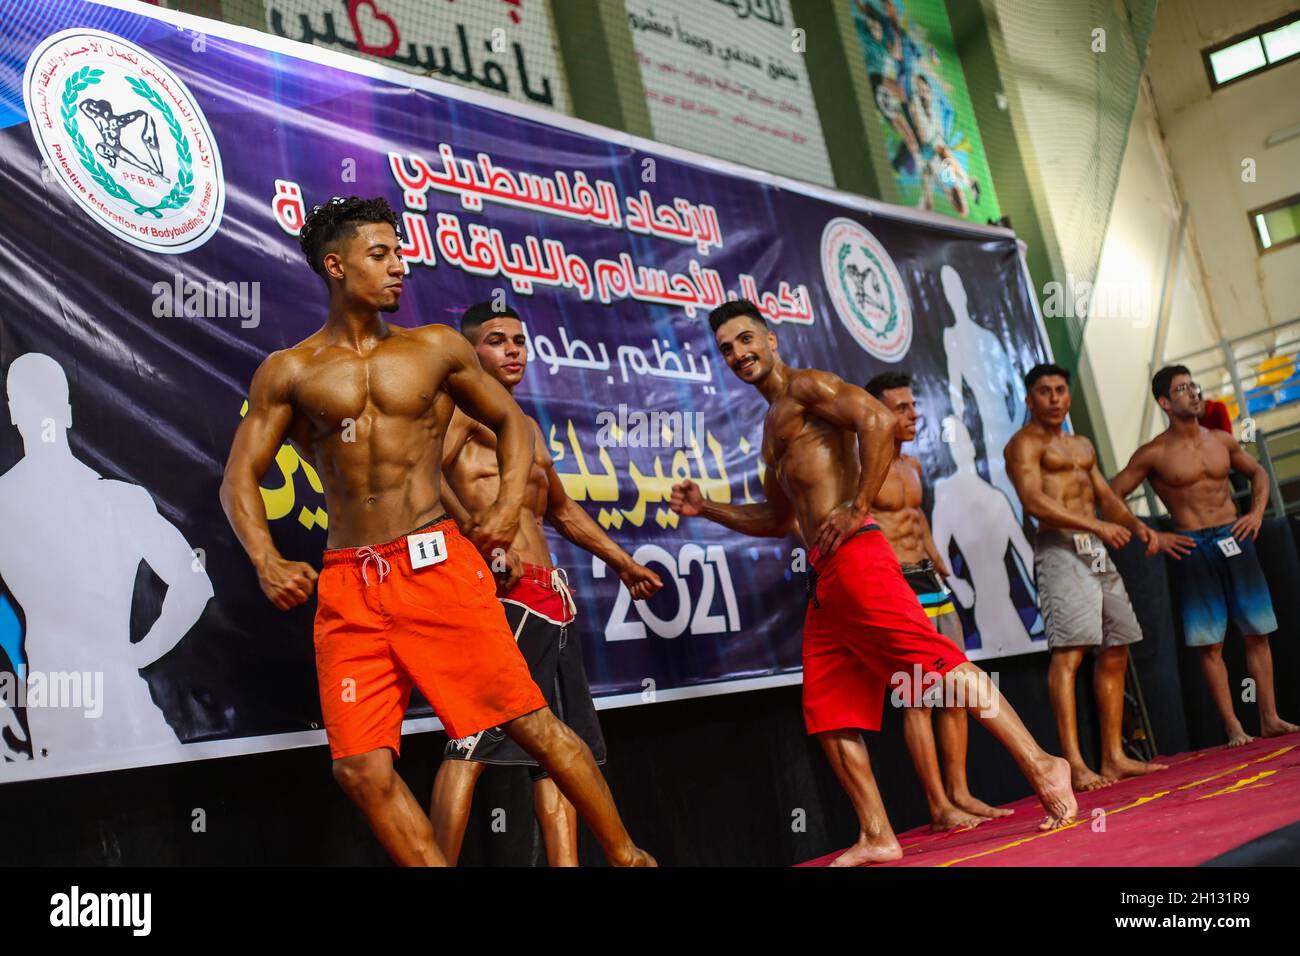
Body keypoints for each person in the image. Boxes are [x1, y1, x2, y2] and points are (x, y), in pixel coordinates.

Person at [218, 196, 652, 867]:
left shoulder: (436, 349)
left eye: (400, 253)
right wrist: (266, 558)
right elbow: (238, 477)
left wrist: (507, 507)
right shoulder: (290, 371)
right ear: (336, 266)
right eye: (381, 255)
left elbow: (511, 425)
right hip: (348, 584)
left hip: (436, 567)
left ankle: (627, 856)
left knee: (531, 726)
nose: (400, 268)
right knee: (359, 770)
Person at [672, 300, 1076, 866]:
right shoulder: (771, 429)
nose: (738, 354)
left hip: (858, 554)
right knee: (828, 709)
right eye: (727, 349)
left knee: (935, 661)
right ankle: (878, 833)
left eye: (745, 340)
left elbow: (879, 421)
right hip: (824, 578)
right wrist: (707, 509)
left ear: (771, 339)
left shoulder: (809, 387)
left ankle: (1040, 762)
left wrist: (858, 504)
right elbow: (777, 518)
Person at [430, 302, 663, 866]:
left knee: (557, 752)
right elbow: (418, 478)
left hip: (549, 598)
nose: (512, 350)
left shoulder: (524, 425)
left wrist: (623, 562)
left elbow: (559, 509)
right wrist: (478, 540)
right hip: (500, 597)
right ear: (469, 351)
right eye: (495, 340)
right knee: (472, 739)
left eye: (518, 340)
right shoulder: (460, 411)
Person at [1110, 365, 1299, 746]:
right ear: (1165, 402)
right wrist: (1152, 535)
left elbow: (1258, 474)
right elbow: (1111, 495)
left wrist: (1257, 513)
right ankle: (1232, 726)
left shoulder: (1222, 441)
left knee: (1258, 631)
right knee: (1210, 643)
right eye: (1182, 389)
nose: (1193, 393)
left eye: (1193, 385)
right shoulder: (1154, 453)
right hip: (1193, 544)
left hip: (1235, 535)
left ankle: (1269, 717)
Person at [1004, 363, 1167, 792]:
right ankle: (1074, 763)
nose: (1055, 398)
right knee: (1071, 653)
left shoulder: (1080, 444)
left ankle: (1113, 756)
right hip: (1061, 549)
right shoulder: (1023, 444)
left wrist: (1137, 526)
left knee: (1116, 646)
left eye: (1060, 390)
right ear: (1030, 399)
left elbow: (1106, 496)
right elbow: (1033, 501)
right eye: (1045, 391)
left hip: (1095, 552)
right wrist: (1095, 526)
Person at [864, 372, 1010, 829]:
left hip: (931, 583)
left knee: (955, 691)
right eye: (901, 407)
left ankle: (960, 793)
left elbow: (917, 522)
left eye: (913, 406)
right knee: (917, 697)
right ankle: (938, 806)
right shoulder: (861, 467)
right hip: (895, 585)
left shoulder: (913, 466)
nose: (913, 414)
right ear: (875, 412)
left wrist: (941, 563)